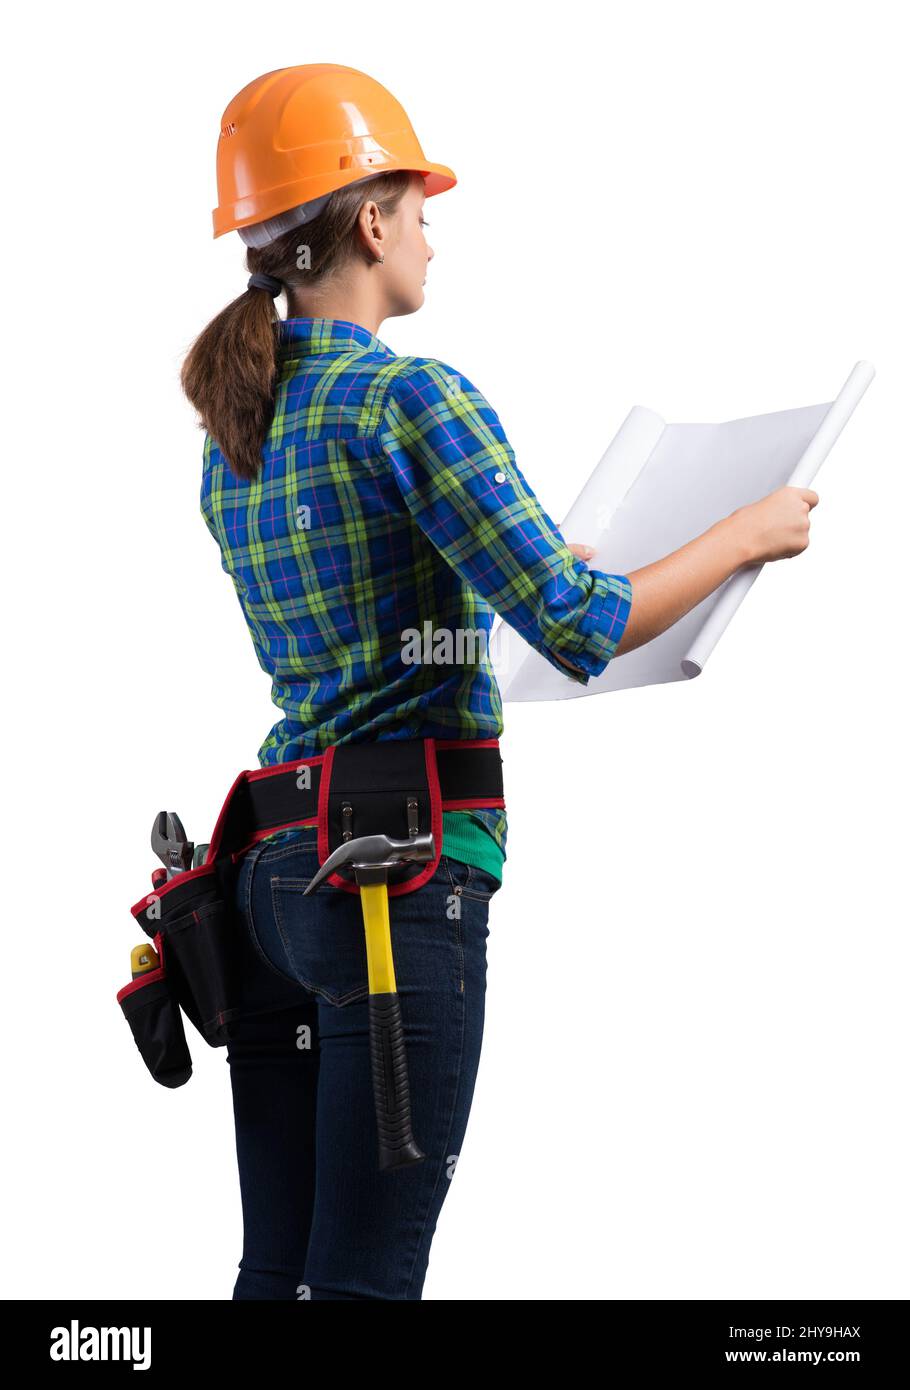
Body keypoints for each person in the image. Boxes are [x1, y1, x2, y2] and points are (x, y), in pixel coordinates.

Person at [180, 64, 818, 1301]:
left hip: (272, 883)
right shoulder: (409, 394)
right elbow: (586, 627)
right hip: (393, 879)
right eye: (419, 207)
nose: (431, 233)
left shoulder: (238, 429)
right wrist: (747, 530)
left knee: (280, 1279)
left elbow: (364, 627)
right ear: (370, 222)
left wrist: (506, 566)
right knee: (364, 1287)